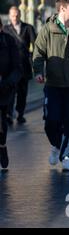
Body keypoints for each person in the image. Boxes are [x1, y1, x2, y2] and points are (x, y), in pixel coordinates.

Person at [33, 0, 69, 171]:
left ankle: (67, 155)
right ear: (62, 9)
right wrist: (38, 72)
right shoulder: (47, 29)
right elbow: (38, 53)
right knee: (51, 121)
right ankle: (56, 145)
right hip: (54, 85)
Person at [3, 6, 36, 125]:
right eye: (12, 15)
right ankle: (8, 114)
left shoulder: (28, 28)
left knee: (22, 92)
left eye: (17, 15)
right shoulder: (6, 29)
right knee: (10, 91)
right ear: (9, 16)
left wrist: (32, 59)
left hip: (24, 65)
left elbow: (35, 45)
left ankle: (20, 114)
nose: (15, 17)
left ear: (20, 15)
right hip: (10, 67)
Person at [0, 19, 22, 169]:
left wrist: (8, 82)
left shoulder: (8, 41)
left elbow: (17, 67)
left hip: (3, 89)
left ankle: (2, 146)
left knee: (1, 125)